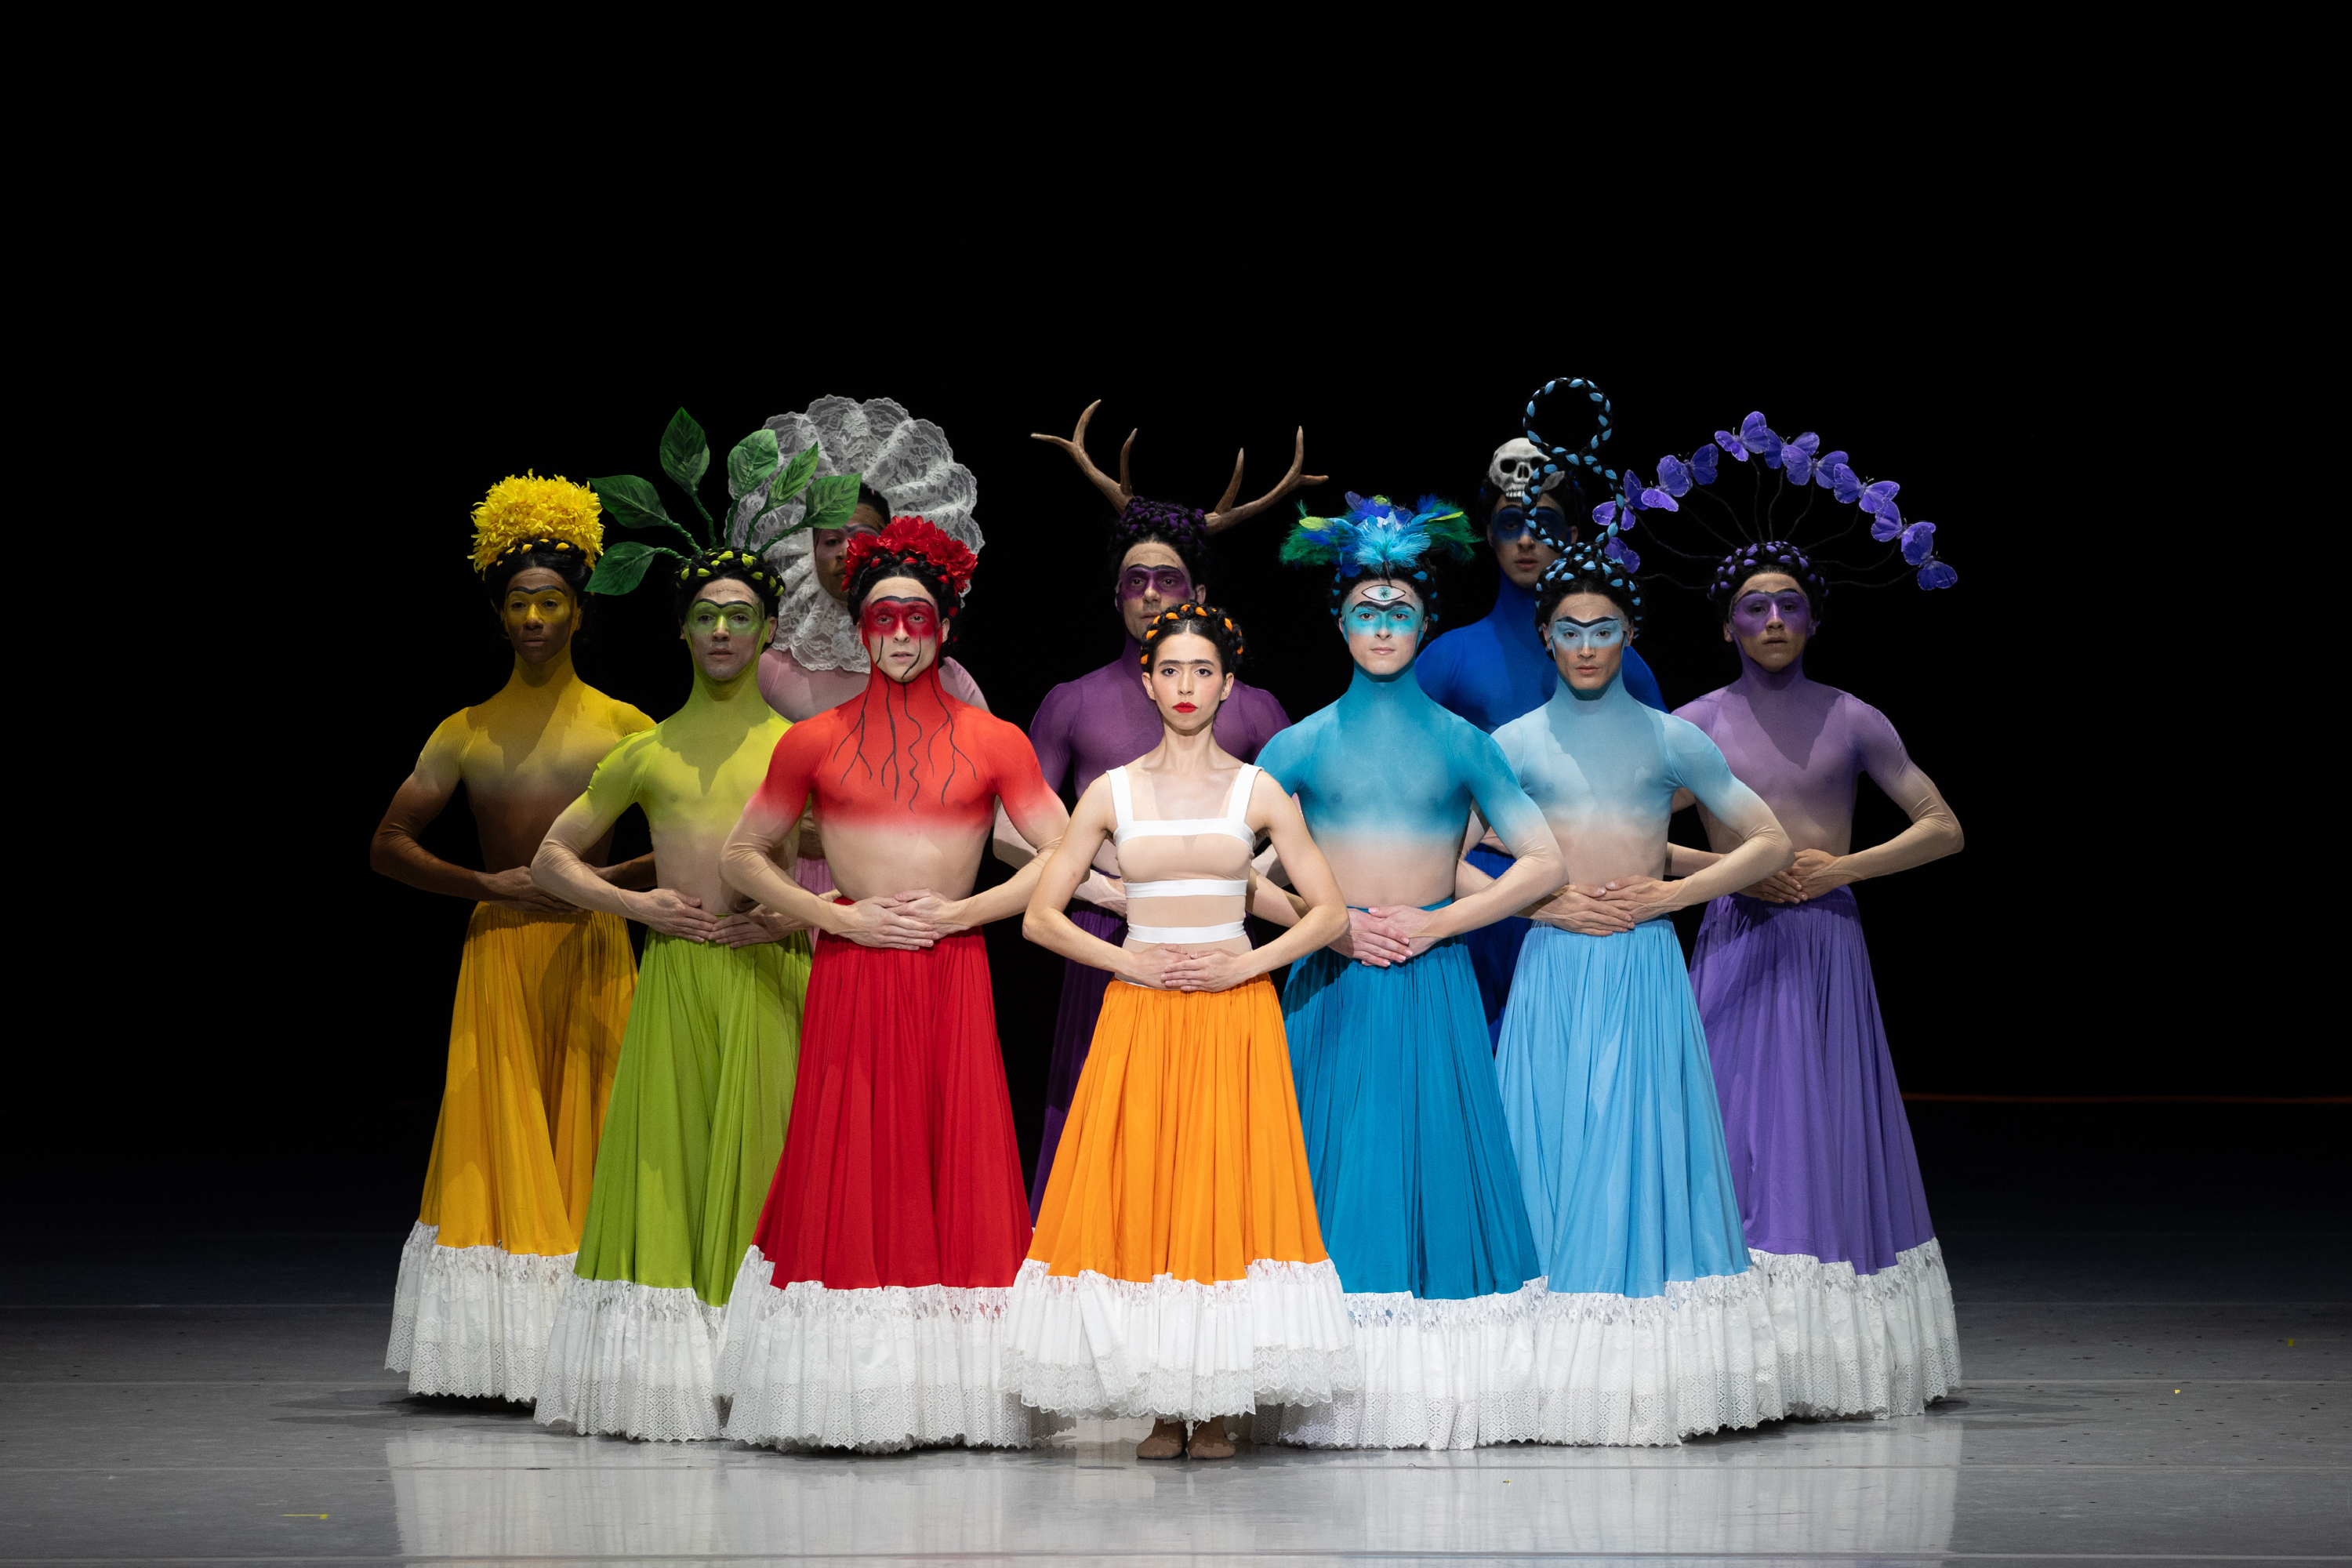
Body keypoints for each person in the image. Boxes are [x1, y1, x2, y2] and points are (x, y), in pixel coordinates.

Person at [715, 517, 1075, 1452]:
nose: (902, 634)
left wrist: (964, 913)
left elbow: (1064, 851)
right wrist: (834, 915)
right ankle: (847, 1393)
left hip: (950, 972)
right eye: (883, 617)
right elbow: (742, 855)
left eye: (919, 616)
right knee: (851, 1159)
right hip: (853, 970)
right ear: (859, 627)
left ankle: (954, 1397)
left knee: (950, 1155)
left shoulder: (995, 739)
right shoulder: (813, 741)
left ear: (945, 624)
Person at [1650, 427, 1965, 1418]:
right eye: (1755, 606)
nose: (1774, 618)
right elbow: (1632, 837)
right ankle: (1732, 1357)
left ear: (1814, 618)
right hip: (1736, 937)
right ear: (1728, 625)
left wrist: (1843, 866)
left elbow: (1943, 827)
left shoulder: (1853, 715)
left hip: (1826, 940)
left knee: (1825, 1132)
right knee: (1734, 1129)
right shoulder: (1695, 723)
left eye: (1789, 603)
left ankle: (1830, 1358)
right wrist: (1733, 869)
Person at [1250, 493, 1566, 1450]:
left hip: (1432, 982)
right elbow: (1233, 871)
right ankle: (1313, 1380)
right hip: (1333, 986)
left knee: (1434, 1164)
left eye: (1399, 610)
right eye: (1366, 610)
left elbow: (1543, 862)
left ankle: (1428, 1393)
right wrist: (1329, 927)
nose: (1383, 626)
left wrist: (1440, 923)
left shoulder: (1463, 742)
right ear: (1339, 621)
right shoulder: (1299, 743)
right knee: (1329, 1164)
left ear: (1426, 623)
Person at [1007, 602, 1356, 1460]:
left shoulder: (1258, 790)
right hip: (1142, 1014)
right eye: (1171, 670)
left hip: (1235, 1017)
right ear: (1148, 681)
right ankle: (1165, 1406)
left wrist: (1246, 965)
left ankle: (1219, 1404)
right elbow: (1041, 916)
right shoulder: (1112, 790)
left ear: (1228, 685)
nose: (1187, 685)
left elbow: (1329, 912)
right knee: (1152, 1192)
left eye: (1203, 671)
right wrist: (1126, 960)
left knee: (1223, 1191)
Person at [1483, 542, 1793, 1445]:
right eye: (1570, 629)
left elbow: (1769, 841)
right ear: (1546, 636)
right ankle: (1538, 1380)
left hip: (1642, 965)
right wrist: (1535, 901)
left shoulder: (1669, 736)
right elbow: (1451, 855)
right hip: (1553, 963)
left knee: (1635, 1141)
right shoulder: (1513, 743)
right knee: (1550, 1142)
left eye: (1604, 628)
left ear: (1629, 633)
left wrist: (1672, 894)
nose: (1587, 645)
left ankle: (1642, 1376)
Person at [374, 474, 654, 1403]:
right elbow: (389, 843)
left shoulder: (625, 726)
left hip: (592, 946)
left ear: (580, 612)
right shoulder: (465, 730)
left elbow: (692, 839)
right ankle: (500, 1356)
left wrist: (600, 882)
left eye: (552, 601)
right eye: (520, 603)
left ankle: (599, 1348)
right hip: (501, 947)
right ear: (500, 615)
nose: (535, 618)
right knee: (499, 1140)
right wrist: (484, 882)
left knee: (595, 1128)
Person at [528, 543, 811, 1442]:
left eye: (740, 615)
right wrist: (634, 902)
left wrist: (795, 911)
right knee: (672, 1161)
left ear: (769, 630)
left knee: (768, 1161)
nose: (722, 630)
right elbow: (551, 857)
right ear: (683, 631)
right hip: (679, 975)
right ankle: (677, 1376)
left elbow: (858, 856)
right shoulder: (646, 749)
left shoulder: (798, 747)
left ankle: (765, 1373)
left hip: (769, 972)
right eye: (706, 615)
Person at [1010, 401, 1314, 1215]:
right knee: (1101, 1115)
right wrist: (1105, 886)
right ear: (1116, 595)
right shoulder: (1072, 701)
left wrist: (1238, 879)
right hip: (1105, 934)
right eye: (1135, 581)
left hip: (1216, 936)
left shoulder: (1255, 709)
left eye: (1167, 580)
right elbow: (1014, 828)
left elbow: (1298, 824)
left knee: (1217, 1131)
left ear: (1199, 592)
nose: (1150, 595)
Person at [1414, 388, 1666, 1046]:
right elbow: (1403, 776)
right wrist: (1479, 829)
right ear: (1488, 533)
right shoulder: (1449, 657)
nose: (1527, 539)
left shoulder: (1619, 661)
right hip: (1481, 889)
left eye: (1546, 522)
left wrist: (1596, 834)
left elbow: (1667, 778)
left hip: (1590, 888)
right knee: (1487, 1057)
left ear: (1575, 535)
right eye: (1509, 523)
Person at [740, 397, 993, 898]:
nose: (845, 552)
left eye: (861, 536)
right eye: (829, 540)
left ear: (890, 544)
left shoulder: (944, 674)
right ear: (807, 549)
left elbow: (991, 783)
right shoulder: (770, 669)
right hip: (790, 887)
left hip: (907, 882)